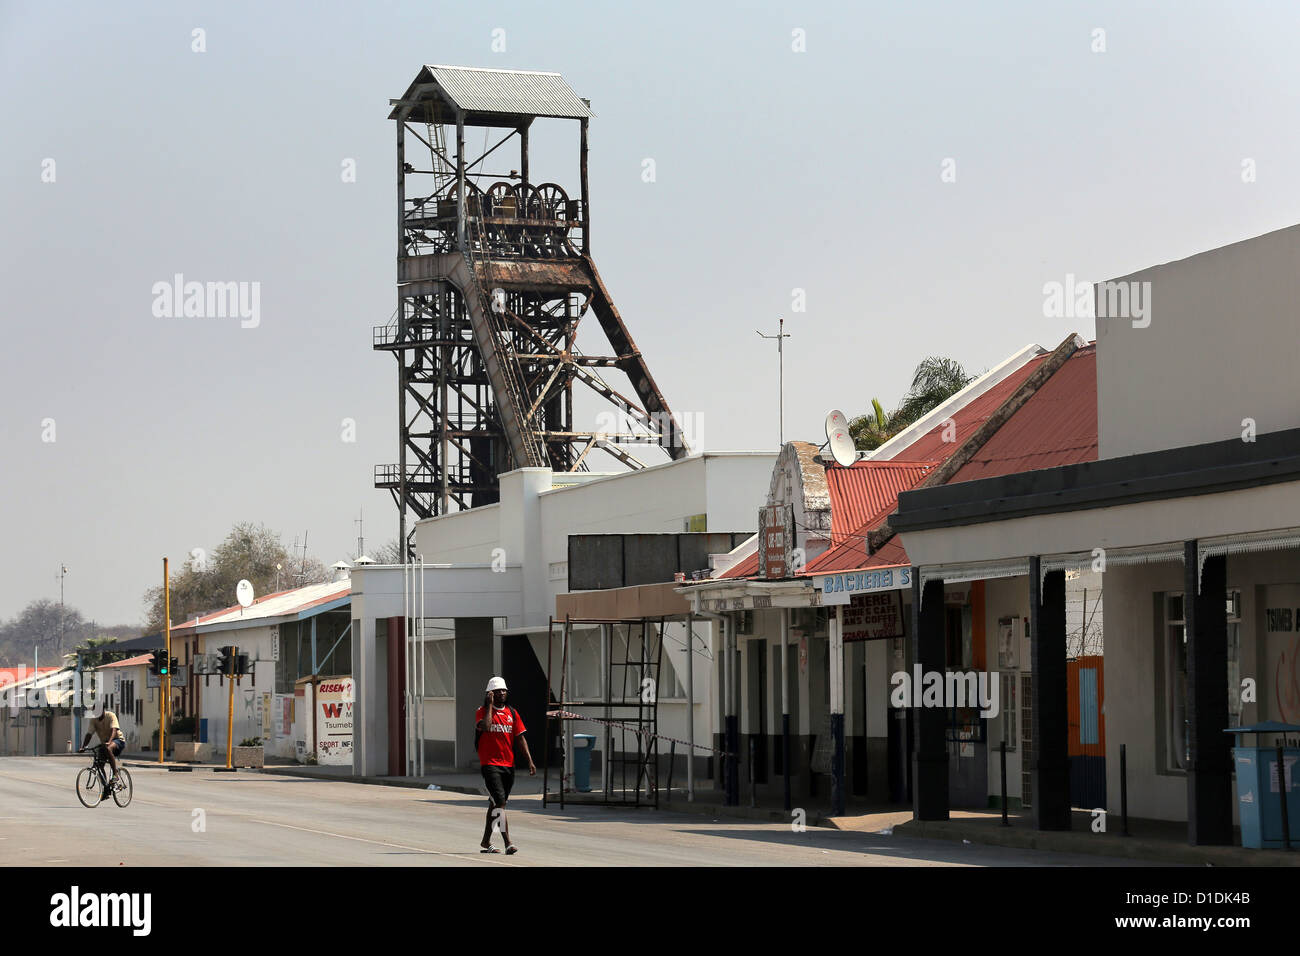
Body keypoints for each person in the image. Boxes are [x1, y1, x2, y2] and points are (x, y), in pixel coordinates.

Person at [474, 676, 535, 854]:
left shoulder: (512, 713)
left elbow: (520, 738)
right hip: (490, 764)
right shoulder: (482, 711)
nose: (501, 693)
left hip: (508, 765)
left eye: (504, 690)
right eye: (497, 691)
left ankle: (485, 841)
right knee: (500, 802)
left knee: (496, 804)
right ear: (489, 694)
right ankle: (508, 842)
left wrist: (530, 761)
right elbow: (485, 726)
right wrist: (489, 706)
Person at [80, 707, 126, 798]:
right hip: (104, 744)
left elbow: (114, 730)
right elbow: (89, 734)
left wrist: (109, 741)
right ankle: (106, 789)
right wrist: (83, 746)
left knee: (108, 748)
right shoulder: (94, 720)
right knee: (99, 765)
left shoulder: (111, 716)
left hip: (117, 741)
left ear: (103, 709)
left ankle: (115, 775)